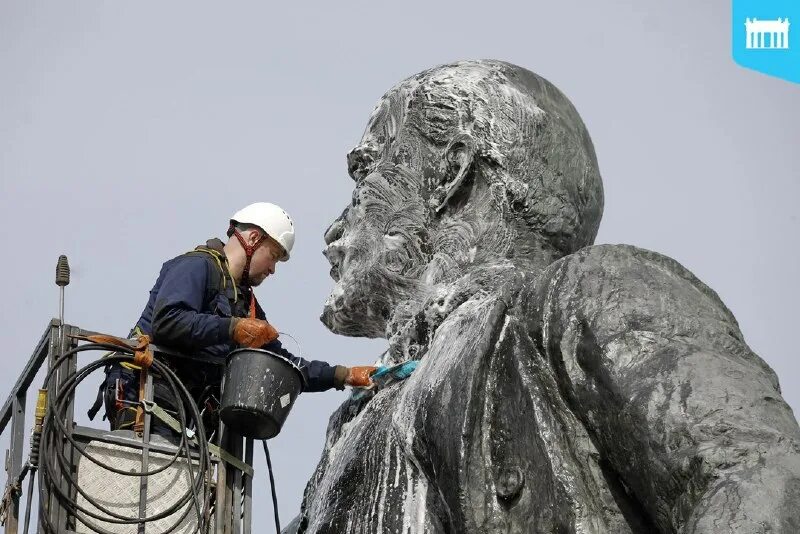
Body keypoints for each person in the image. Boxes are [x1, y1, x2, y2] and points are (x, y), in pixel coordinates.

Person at [89, 202, 376, 435]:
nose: (273, 269)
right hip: (148, 394)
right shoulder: (195, 267)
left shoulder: (246, 305)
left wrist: (343, 375)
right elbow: (168, 322)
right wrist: (233, 328)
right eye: (273, 256)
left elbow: (281, 365)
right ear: (253, 239)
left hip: (186, 410)